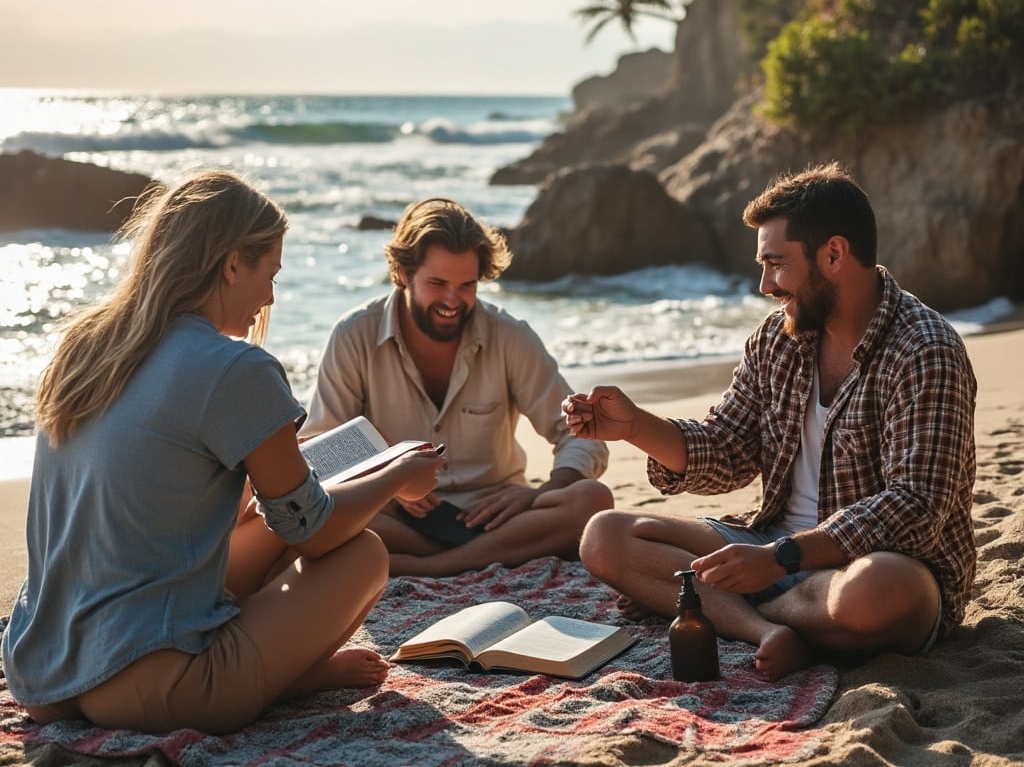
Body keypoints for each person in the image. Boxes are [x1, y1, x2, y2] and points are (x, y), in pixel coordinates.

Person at [1, 169, 445, 735]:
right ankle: (285, 679)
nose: (271, 297)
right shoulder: (235, 367)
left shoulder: (87, 345)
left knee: (261, 526)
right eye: (271, 274)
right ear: (233, 263)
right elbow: (312, 531)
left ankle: (268, 671)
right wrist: (398, 475)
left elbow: (154, 494)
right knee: (362, 555)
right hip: (156, 689)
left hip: (42, 672)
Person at [563, 162, 977, 681]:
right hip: (769, 553)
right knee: (604, 536)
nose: (764, 284)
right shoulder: (776, 340)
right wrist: (633, 427)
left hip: (866, 569)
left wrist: (782, 559)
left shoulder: (925, 350)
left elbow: (916, 506)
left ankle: (710, 606)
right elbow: (727, 449)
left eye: (776, 264)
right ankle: (766, 629)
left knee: (881, 591)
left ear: (833, 254)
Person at [300, 197, 612, 577]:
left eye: (467, 285)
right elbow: (320, 453)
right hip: (397, 517)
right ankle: (476, 558)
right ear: (402, 273)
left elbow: (582, 434)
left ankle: (434, 566)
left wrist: (543, 491)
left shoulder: (510, 337)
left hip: (499, 516)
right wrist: (389, 483)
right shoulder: (354, 335)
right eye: (438, 283)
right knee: (318, 519)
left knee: (591, 499)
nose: (453, 300)